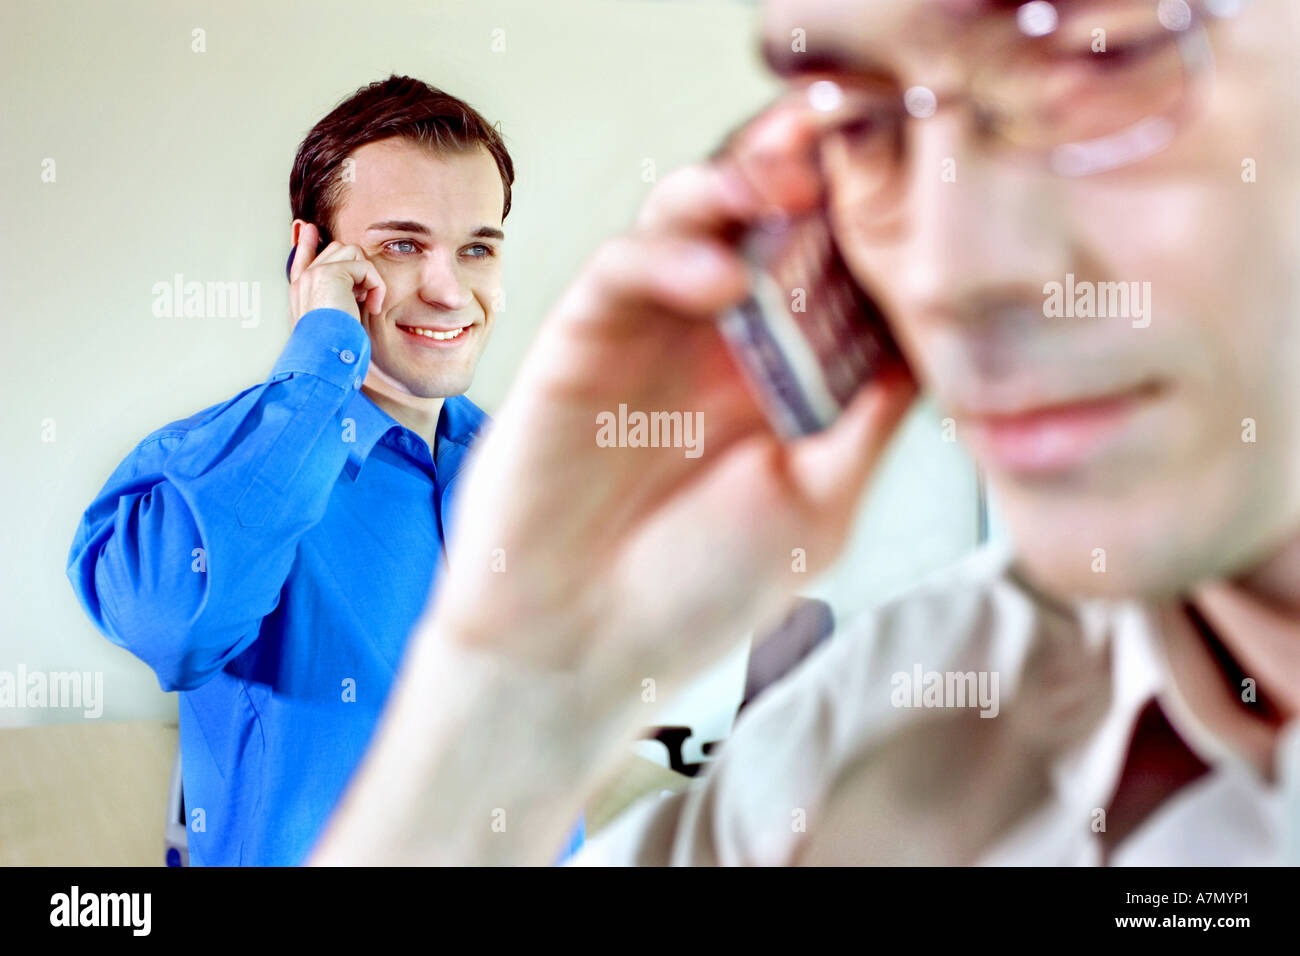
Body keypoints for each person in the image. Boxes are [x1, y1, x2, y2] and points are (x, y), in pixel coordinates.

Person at [310, 0, 1300, 866]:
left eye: (1096, 51)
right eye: (860, 116)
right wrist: (525, 680)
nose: (942, 273)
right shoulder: (883, 740)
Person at [66, 75, 583, 865]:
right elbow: (170, 627)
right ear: (313, 258)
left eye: (476, 247)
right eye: (403, 245)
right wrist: (320, 361)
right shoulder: (208, 465)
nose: (448, 291)